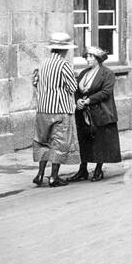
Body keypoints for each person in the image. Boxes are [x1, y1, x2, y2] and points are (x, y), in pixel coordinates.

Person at [31, 32, 79, 187]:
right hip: (60, 110)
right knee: (58, 143)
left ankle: (39, 175)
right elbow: (73, 87)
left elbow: (35, 82)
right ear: (64, 50)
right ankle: (53, 177)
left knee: (42, 142)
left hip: (42, 109)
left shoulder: (42, 64)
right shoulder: (64, 65)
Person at [70, 46, 122, 183]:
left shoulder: (107, 73)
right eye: (87, 56)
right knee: (84, 141)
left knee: (100, 141)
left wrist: (89, 100)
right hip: (84, 113)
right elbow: (77, 90)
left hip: (101, 111)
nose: (88, 59)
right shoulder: (83, 73)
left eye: (91, 57)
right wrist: (79, 101)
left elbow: (106, 92)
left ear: (98, 59)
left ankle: (99, 169)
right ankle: (83, 169)